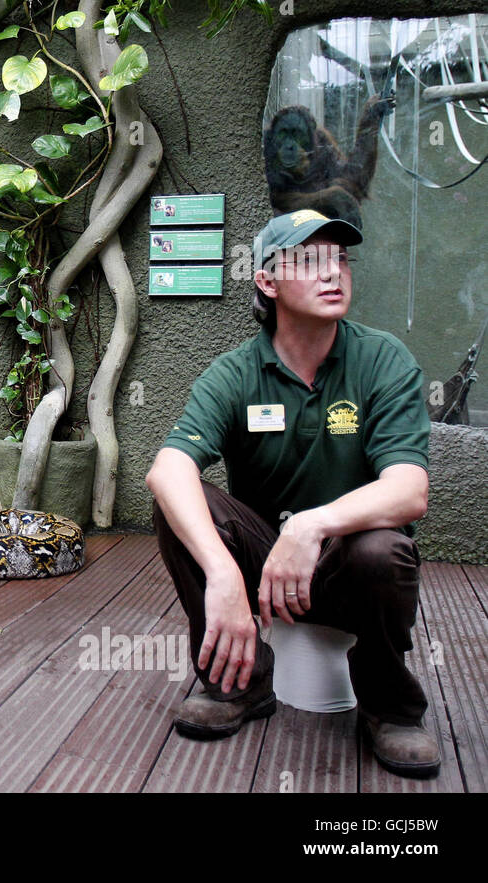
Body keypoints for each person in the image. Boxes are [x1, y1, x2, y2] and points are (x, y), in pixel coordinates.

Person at [145, 209, 439, 778]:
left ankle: (391, 708)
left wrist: (310, 526)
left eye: (341, 259)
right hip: (262, 567)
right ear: (267, 281)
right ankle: (238, 682)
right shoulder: (235, 373)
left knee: (383, 546)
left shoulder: (383, 361)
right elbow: (167, 468)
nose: (333, 273)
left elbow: (409, 490)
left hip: (347, 566)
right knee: (183, 501)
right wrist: (225, 574)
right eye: (309, 260)